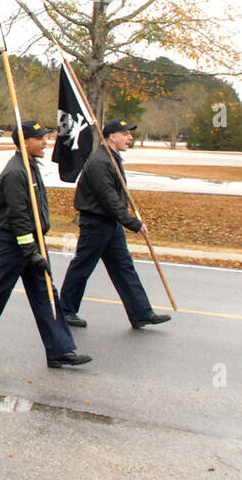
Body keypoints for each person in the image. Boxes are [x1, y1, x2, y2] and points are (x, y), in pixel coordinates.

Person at [0, 121, 92, 369]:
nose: (45, 142)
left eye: (45, 137)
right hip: (18, 243)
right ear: (25, 141)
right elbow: (18, 217)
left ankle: (59, 349)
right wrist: (31, 251)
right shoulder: (16, 172)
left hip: (33, 240)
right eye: (40, 138)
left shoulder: (29, 167)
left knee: (46, 294)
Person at [59, 120, 171, 330]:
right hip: (96, 222)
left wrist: (126, 220)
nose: (130, 138)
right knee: (82, 267)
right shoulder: (100, 162)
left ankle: (141, 313)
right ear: (112, 136)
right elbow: (109, 199)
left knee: (123, 267)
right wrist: (133, 223)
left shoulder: (111, 158)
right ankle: (65, 310)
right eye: (125, 134)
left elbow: (115, 198)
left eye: (130, 134)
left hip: (110, 223)